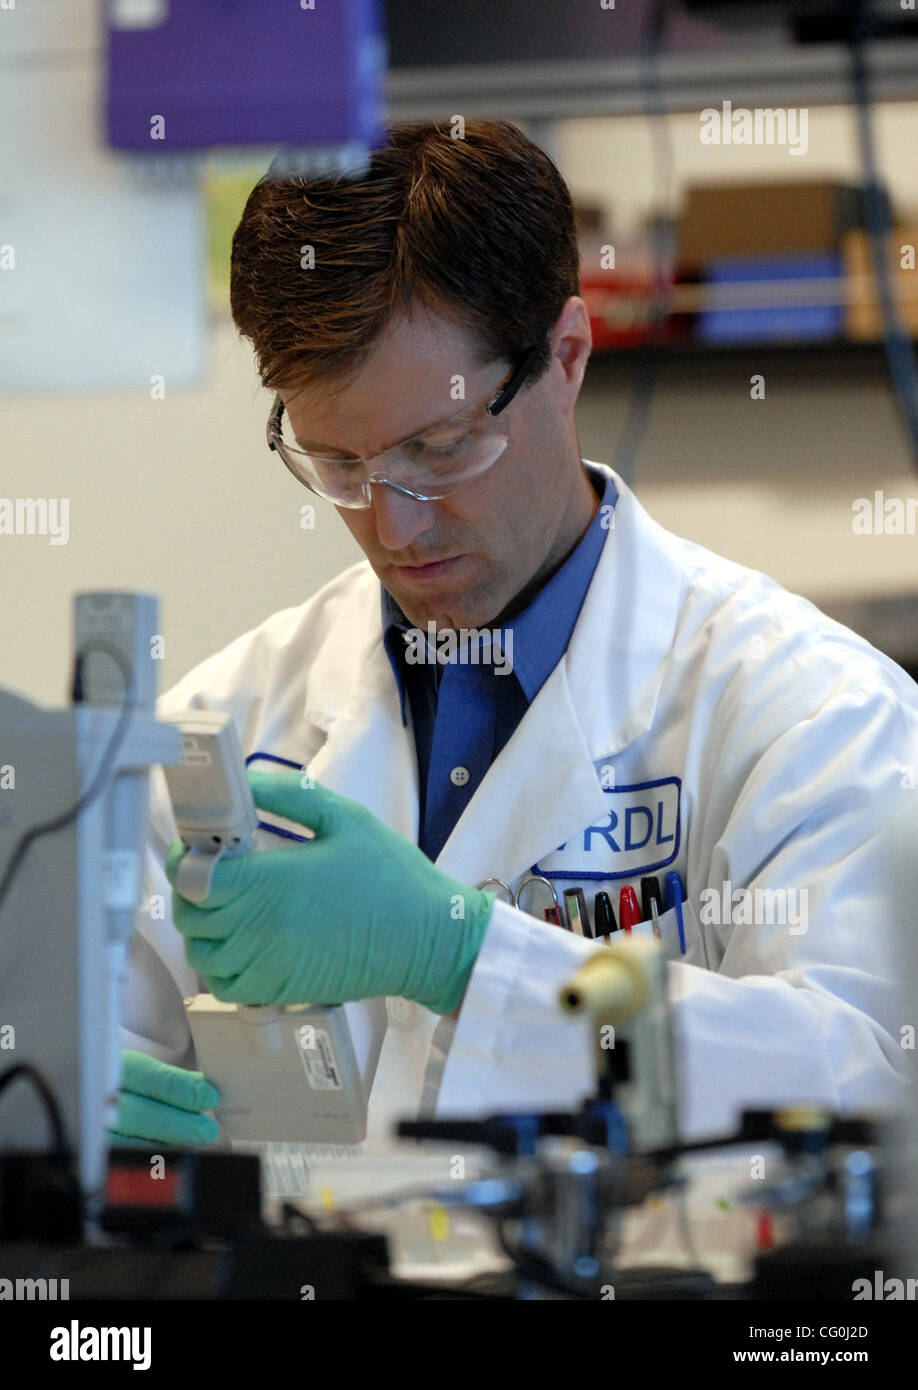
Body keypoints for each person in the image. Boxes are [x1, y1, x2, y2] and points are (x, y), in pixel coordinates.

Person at [112, 119, 918, 1155]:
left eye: (440, 448)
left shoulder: (811, 716)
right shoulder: (223, 717)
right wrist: (73, 1118)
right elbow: (88, 1045)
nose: (392, 525)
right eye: (339, 468)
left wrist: (467, 957)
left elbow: (865, 1070)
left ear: (568, 356)